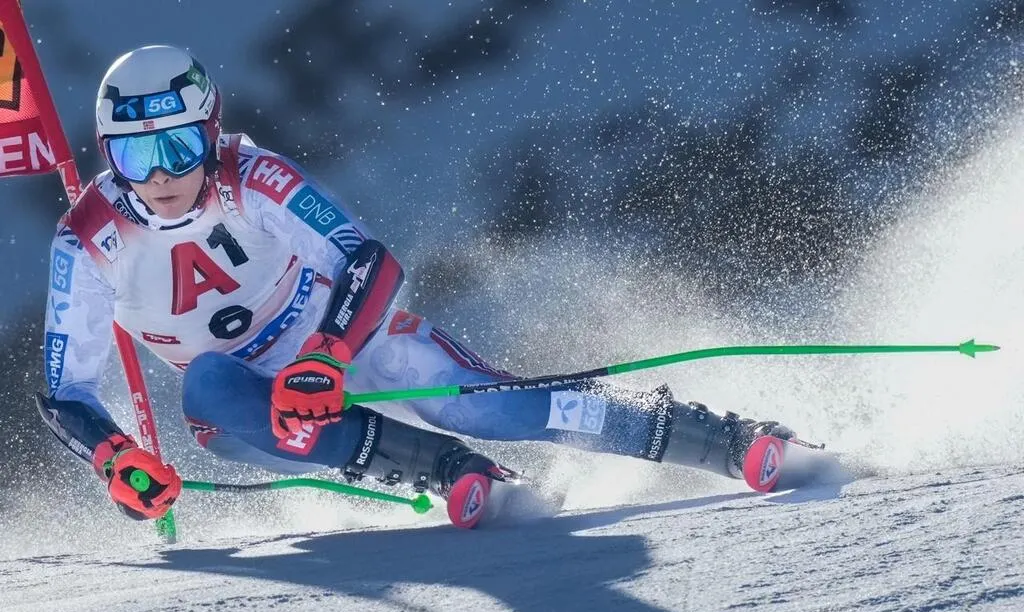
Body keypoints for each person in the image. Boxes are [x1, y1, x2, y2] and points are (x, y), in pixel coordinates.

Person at [38, 45, 797, 528]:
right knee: (207, 385)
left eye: (178, 145)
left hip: (346, 343)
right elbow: (64, 388)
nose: (164, 174)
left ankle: (723, 439)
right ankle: (449, 470)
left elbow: (371, 261)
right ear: (109, 156)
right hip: (251, 410)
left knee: (500, 408)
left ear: (211, 130)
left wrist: (329, 353)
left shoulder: (251, 176)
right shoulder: (89, 236)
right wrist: (113, 456)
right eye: (138, 158)